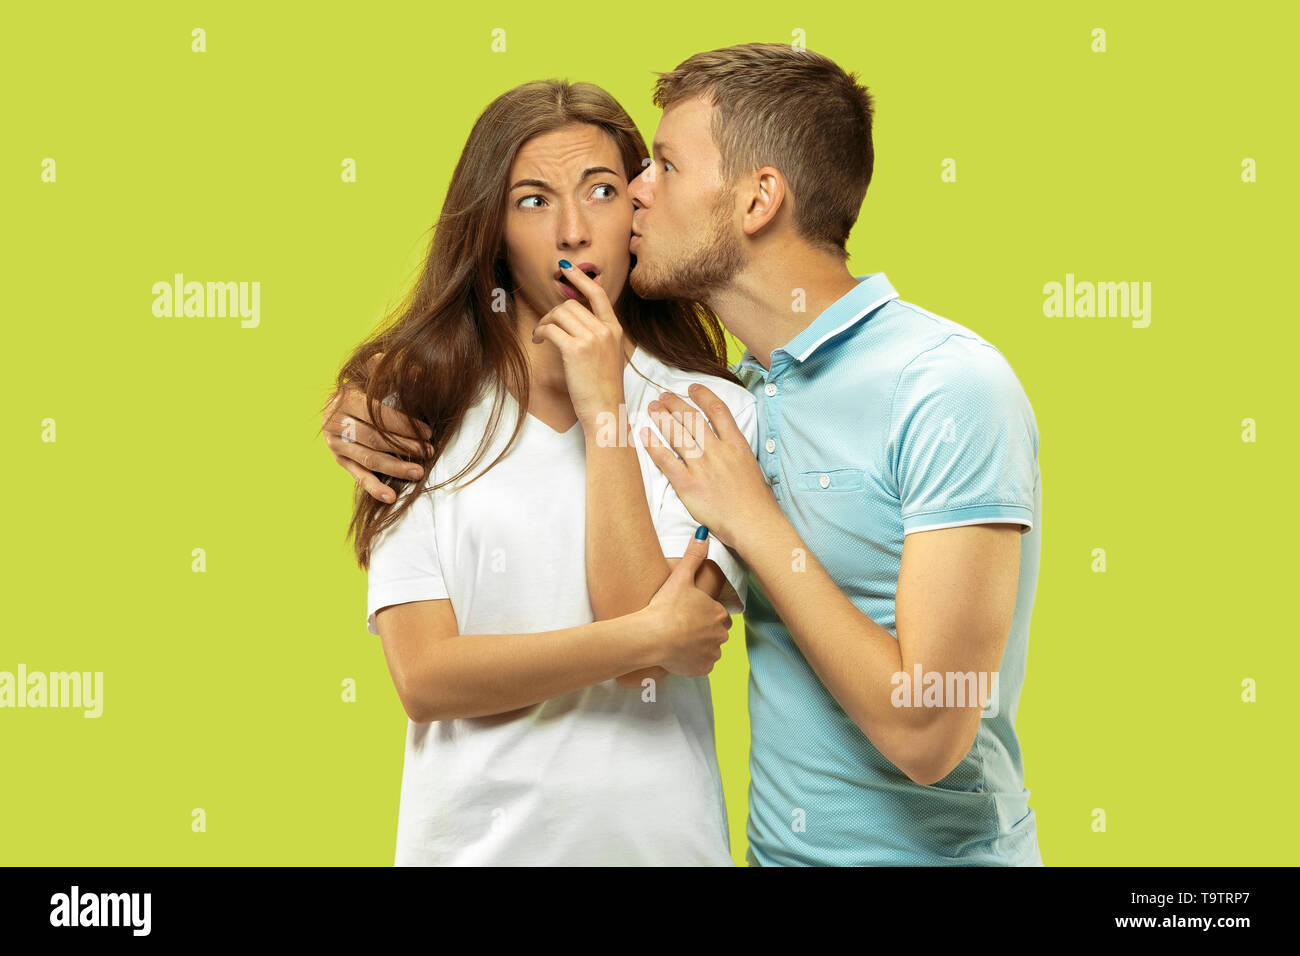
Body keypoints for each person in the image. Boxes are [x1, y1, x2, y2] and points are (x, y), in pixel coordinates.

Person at [330, 43, 1044, 868]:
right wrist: (366, 397)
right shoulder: (746, 390)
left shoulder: (945, 386)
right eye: (536, 198)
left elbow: (927, 732)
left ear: (758, 199)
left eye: (659, 167)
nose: (633, 192)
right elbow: (442, 669)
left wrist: (745, 511)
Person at [320, 79, 759, 866]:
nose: (572, 232)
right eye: (531, 201)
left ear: (640, 207)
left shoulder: (715, 410)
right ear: (492, 231)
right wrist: (646, 632)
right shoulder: (416, 411)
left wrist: (605, 411)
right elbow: (425, 677)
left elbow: (648, 668)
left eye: (601, 191)